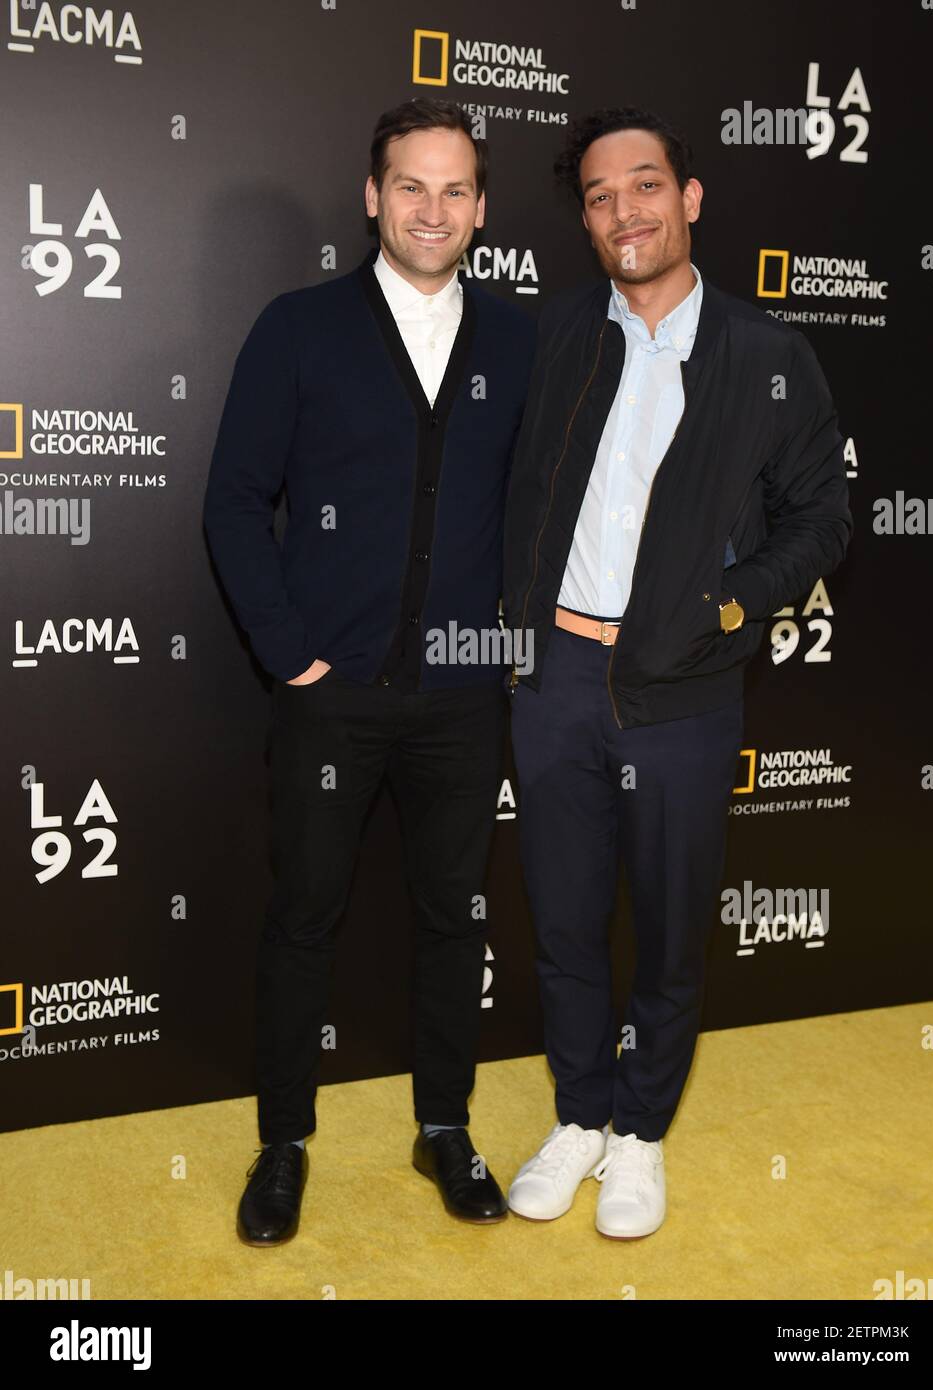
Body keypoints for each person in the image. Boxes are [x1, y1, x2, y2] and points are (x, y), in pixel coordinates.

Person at [502, 108, 852, 1239]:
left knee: (665, 928)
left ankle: (642, 1134)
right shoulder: (556, 338)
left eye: (644, 186)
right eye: (599, 197)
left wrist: (728, 601)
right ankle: (579, 1117)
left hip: (683, 692)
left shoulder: (766, 355)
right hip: (554, 677)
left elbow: (821, 516)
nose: (623, 212)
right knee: (560, 919)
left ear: (688, 198)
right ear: (586, 220)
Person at [203, 97, 536, 1244]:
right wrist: (289, 652)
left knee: (453, 917)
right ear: (371, 195)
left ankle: (444, 1125)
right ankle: (283, 1141)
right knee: (304, 916)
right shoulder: (297, 327)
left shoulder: (521, 340)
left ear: (481, 208)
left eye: (453, 190)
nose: (430, 209)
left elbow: (546, 509)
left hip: (460, 697)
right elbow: (235, 502)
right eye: (409, 186)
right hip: (328, 696)